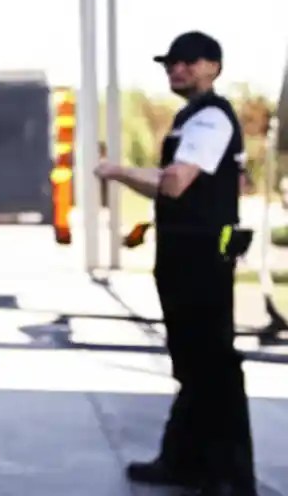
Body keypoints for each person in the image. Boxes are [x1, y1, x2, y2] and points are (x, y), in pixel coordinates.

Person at [95, 31, 257, 496]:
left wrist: (117, 171)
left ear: (213, 68)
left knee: (213, 365)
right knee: (193, 362)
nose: (176, 69)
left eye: (187, 61)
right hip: (186, 256)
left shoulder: (209, 118)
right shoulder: (193, 119)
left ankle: (228, 477)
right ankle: (184, 461)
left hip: (201, 259)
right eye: (170, 63)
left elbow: (173, 183)